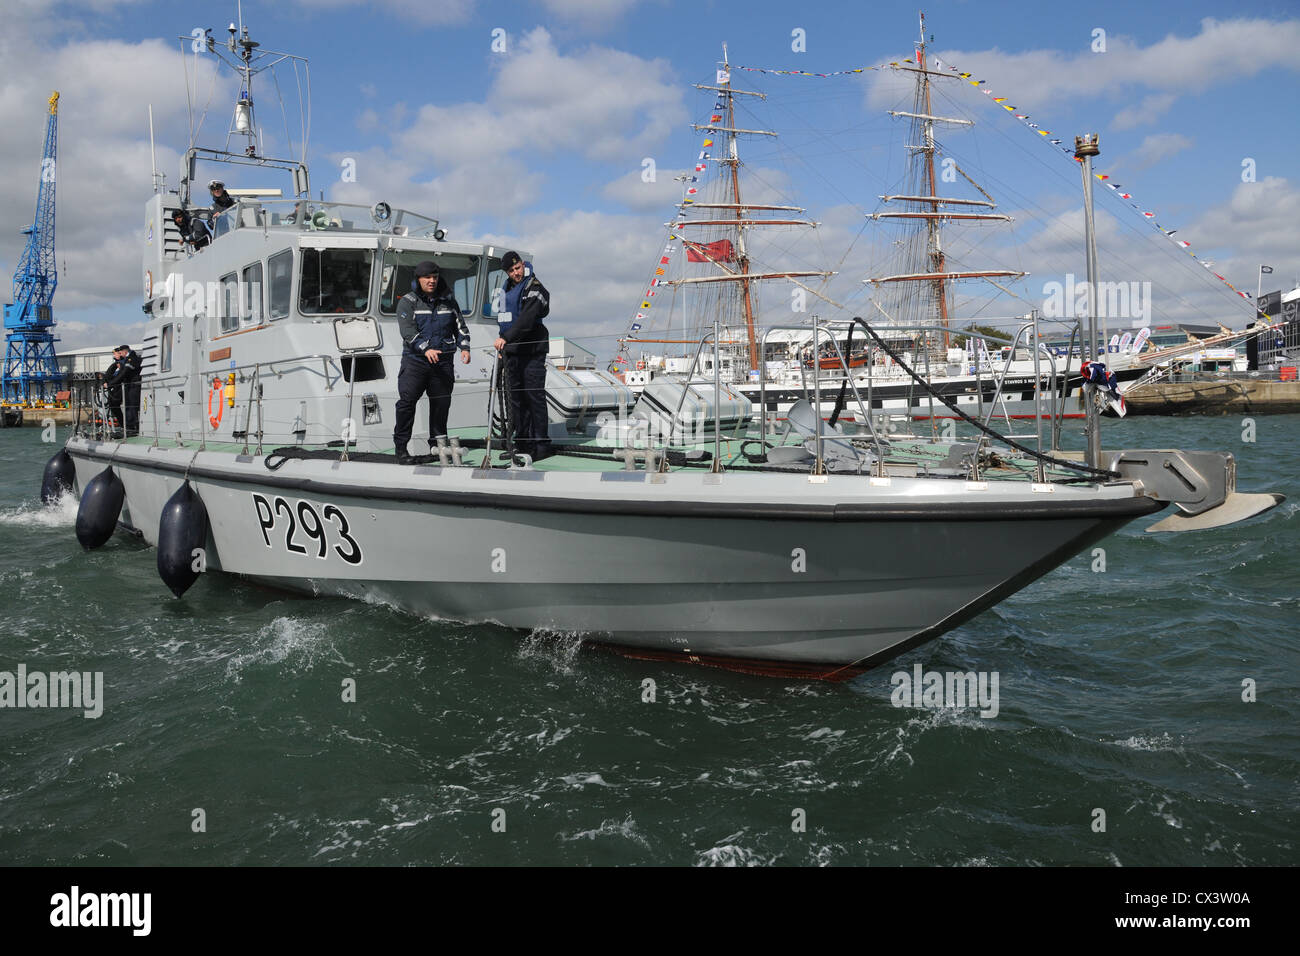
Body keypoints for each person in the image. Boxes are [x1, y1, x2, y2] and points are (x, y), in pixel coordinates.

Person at [393, 260, 471, 461]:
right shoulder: (407, 302)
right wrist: (425, 349)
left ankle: (437, 448)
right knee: (406, 404)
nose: (431, 281)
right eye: (427, 277)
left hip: (443, 362)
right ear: (418, 279)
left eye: (434, 277)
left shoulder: (449, 302)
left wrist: (465, 347)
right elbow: (407, 331)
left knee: (440, 405)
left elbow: (460, 327)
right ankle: (401, 448)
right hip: (415, 362)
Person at [493, 251, 551, 460]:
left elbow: (526, 319)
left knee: (534, 396)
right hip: (513, 352)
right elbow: (505, 320)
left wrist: (506, 338)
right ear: (507, 273)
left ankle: (541, 446)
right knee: (516, 399)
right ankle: (522, 444)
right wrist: (503, 346)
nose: (516, 273)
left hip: (532, 351)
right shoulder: (506, 291)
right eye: (511, 271)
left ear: (523, 265)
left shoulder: (535, 288)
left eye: (518, 268)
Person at [103, 344, 142, 437]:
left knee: (131, 407)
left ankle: (131, 428)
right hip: (129, 386)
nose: (120, 355)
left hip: (133, 386)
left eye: (120, 353)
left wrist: (110, 384)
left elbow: (124, 373)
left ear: (125, 351)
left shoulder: (131, 359)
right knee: (128, 406)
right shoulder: (126, 360)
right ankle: (129, 427)